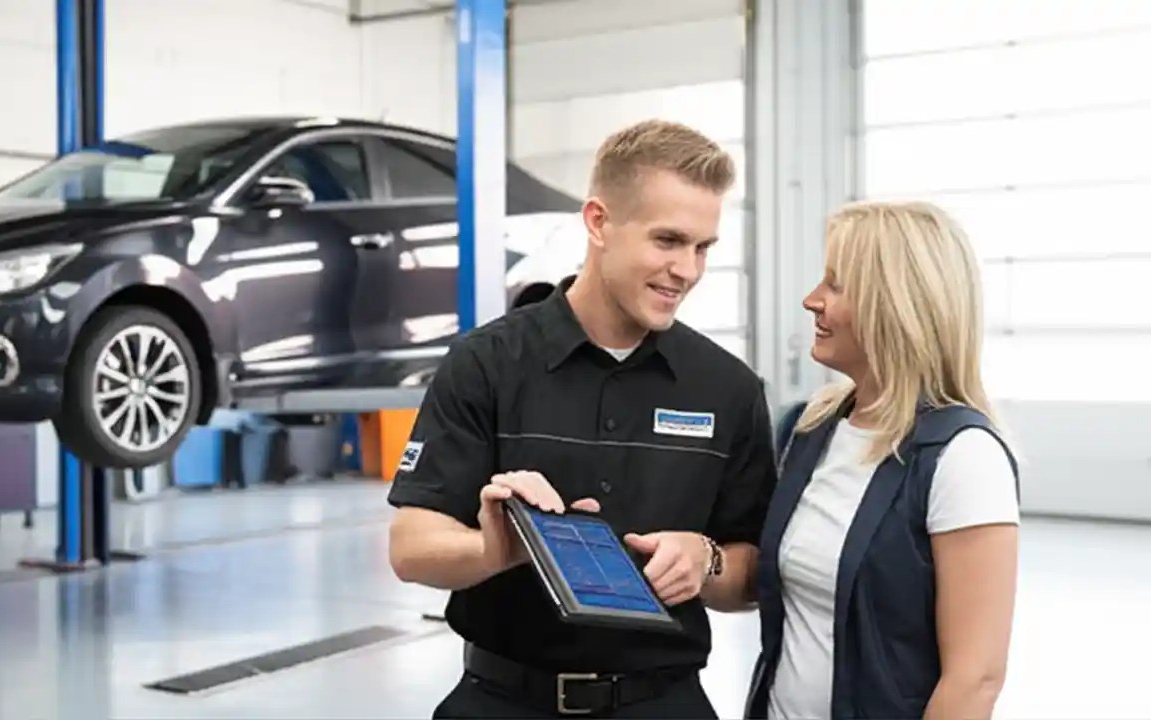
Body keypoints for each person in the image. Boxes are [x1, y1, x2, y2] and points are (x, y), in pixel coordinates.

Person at [387, 119, 779, 719]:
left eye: (703, 247)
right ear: (598, 222)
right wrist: (501, 549)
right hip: (502, 700)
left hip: (662, 703)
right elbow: (412, 549)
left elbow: (752, 574)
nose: (688, 270)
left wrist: (708, 560)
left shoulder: (728, 390)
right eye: (667, 241)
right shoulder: (487, 365)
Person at [744, 200, 1020, 719]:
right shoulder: (808, 431)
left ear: (895, 303)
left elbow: (975, 679)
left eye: (835, 284)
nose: (811, 300)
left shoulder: (963, 457)